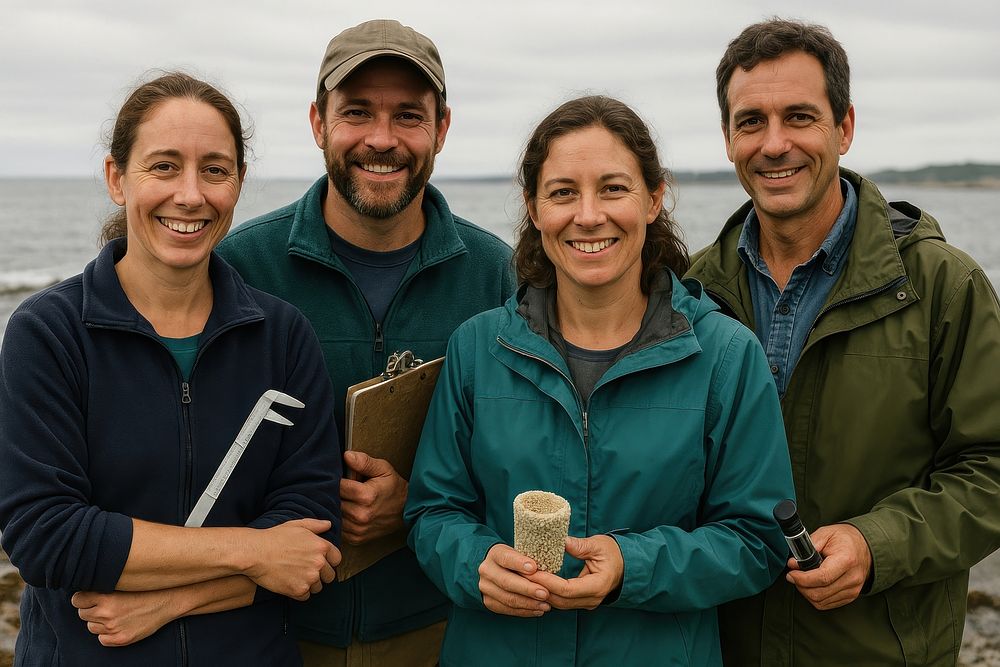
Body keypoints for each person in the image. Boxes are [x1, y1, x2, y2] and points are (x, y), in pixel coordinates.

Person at [404, 95, 795, 666]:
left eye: (613, 188)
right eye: (563, 192)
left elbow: (759, 539)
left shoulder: (726, 356)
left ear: (654, 198)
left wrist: (630, 567)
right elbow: (432, 512)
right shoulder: (477, 348)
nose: (588, 216)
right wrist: (475, 563)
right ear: (534, 208)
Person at [685, 18, 1000, 665]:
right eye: (751, 122)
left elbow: (991, 467)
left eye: (799, 117)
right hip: (722, 649)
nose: (775, 144)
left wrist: (875, 544)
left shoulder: (942, 287)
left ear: (845, 126)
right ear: (727, 138)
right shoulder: (691, 293)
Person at [0, 72, 342, 666]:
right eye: (163, 166)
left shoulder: (283, 336)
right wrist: (252, 550)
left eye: (215, 170)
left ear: (238, 183)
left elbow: (308, 541)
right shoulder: (48, 333)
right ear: (117, 178)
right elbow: (47, 536)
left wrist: (171, 600)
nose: (190, 195)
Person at [216, 19, 516, 666]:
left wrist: (419, 503)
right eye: (356, 112)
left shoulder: (498, 275)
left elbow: (531, 459)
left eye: (408, 115)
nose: (382, 139)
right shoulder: (240, 267)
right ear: (318, 123)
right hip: (271, 630)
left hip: (437, 628)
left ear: (442, 129)